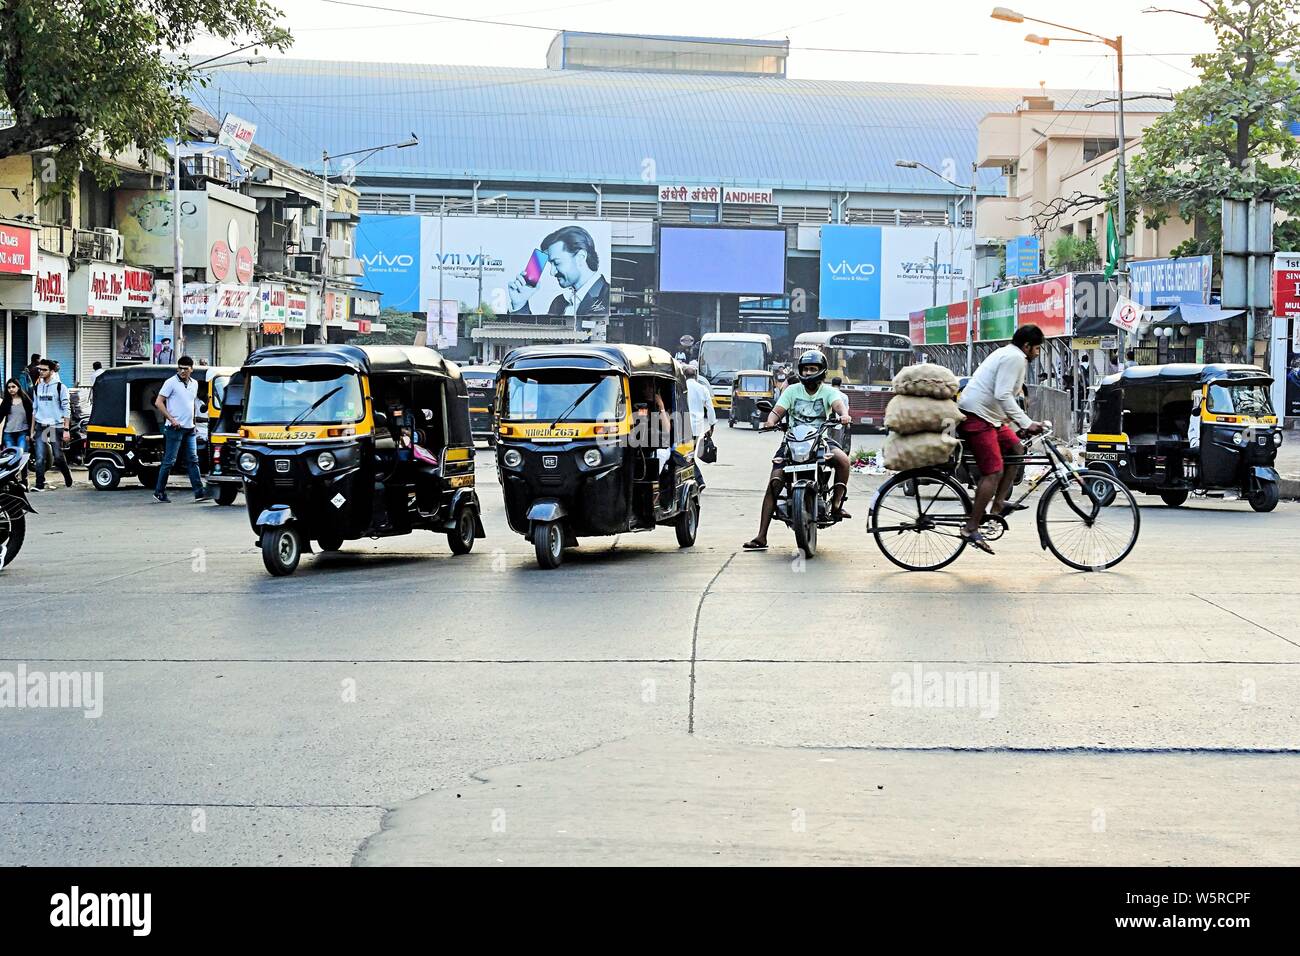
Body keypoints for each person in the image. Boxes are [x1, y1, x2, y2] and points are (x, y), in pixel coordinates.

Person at [743, 349, 852, 551]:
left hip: (820, 442)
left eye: (813, 369)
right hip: (792, 443)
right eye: (806, 369)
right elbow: (777, 411)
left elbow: (838, 406)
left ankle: (837, 504)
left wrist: (844, 415)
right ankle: (761, 536)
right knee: (775, 481)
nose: (809, 372)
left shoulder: (829, 392)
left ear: (821, 371)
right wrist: (770, 421)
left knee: (843, 461)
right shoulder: (792, 391)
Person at [956, 325, 1048, 554]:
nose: (1037, 353)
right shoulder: (1014, 357)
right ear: (1026, 346)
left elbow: (1003, 397)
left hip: (993, 419)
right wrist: (1026, 423)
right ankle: (971, 527)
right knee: (993, 471)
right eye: (1036, 348)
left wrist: (1019, 425)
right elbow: (1002, 394)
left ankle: (997, 505)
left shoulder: (1010, 354)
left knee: (1016, 448)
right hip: (977, 418)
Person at [507, 226, 609, 317]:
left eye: (556, 263)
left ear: (580, 257)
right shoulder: (559, 302)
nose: (552, 272)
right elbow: (544, 337)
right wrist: (520, 304)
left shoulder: (607, 298)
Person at [152, 356, 210, 503]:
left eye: (186, 368)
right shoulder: (170, 382)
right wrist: (171, 419)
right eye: (181, 368)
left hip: (190, 428)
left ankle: (199, 492)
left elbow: (191, 406)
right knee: (169, 461)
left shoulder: (194, 384)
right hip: (174, 428)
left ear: (192, 369)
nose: (183, 371)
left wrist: (194, 424)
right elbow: (158, 402)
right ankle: (159, 492)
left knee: (193, 460)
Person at [31, 358, 73, 491]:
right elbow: (35, 409)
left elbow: (66, 409)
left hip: (55, 426)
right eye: (39, 369)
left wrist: (66, 429)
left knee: (58, 456)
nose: (41, 372)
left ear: (52, 371)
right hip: (41, 425)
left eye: (44, 370)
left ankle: (67, 475)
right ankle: (39, 484)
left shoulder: (60, 387)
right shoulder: (37, 387)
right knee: (39, 457)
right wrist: (32, 430)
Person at [684, 365, 715, 490]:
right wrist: (712, 426)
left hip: (684, 426)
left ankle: (698, 480)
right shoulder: (703, 389)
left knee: (687, 455)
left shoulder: (681, 388)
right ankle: (696, 480)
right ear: (695, 376)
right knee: (689, 455)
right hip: (697, 427)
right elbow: (710, 408)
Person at [2, 379, 33, 486]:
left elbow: (31, 417)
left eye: (13, 387)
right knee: (9, 459)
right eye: (9, 387)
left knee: (22, 457)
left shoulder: (26, 401)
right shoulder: (6, 401)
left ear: (18, 387)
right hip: (8, 433)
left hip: (23, 432)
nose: (11, 389)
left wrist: (30, 433)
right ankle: (11, 482)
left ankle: (24, 480)